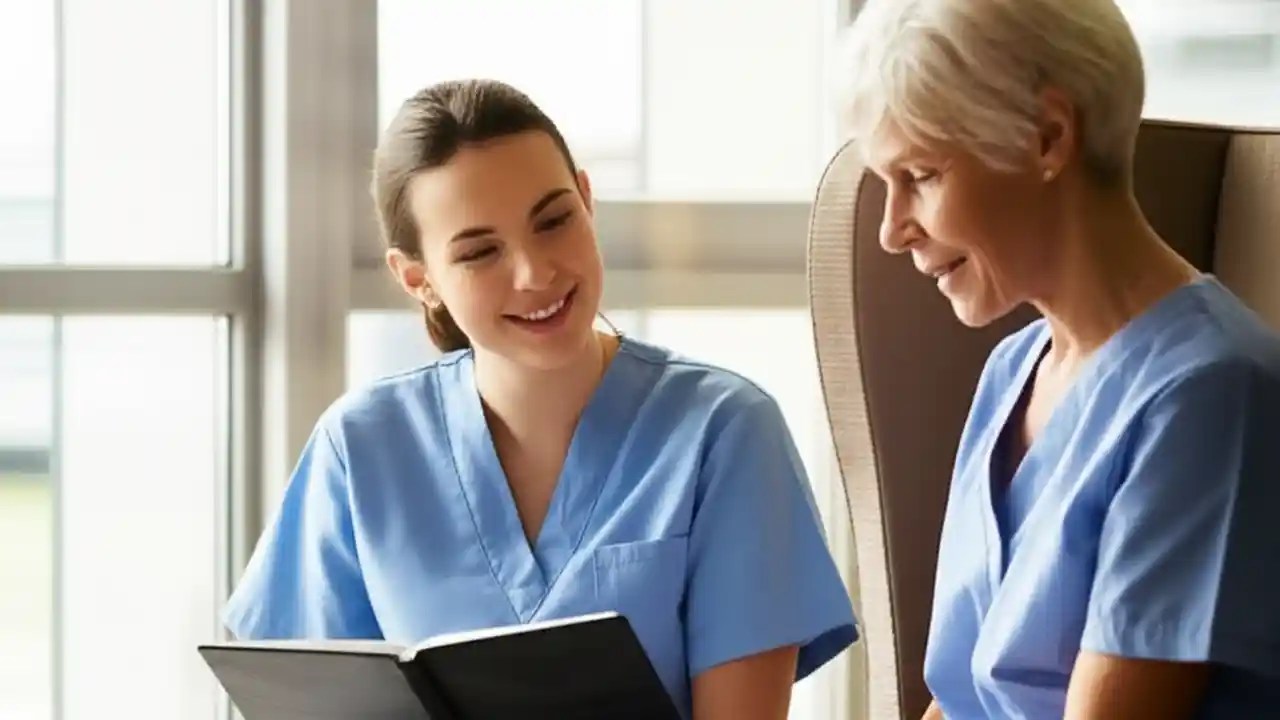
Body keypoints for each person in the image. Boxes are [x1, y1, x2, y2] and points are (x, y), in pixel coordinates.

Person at [222, 78, 857, 719]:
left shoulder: (724, 432)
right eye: (480, 252)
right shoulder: (359, 449)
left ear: (587, 200)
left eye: (553, 221)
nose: (535, 273)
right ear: (418, 279)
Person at [838, 0, 1280, 718]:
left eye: (919, 174)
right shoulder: (1013, 371)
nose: (892, 231)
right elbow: (961, 701)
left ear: (1047, 137)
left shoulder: (1209, 396)